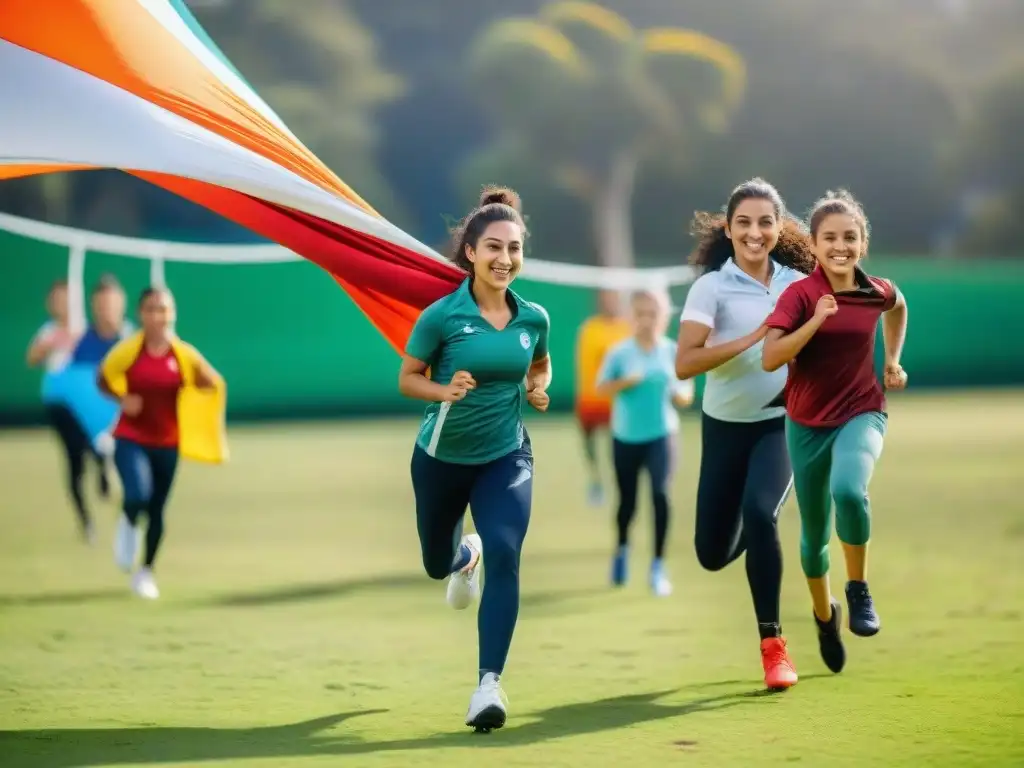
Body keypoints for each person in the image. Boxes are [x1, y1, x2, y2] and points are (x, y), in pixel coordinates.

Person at [397, 186, 551, 732]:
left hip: (505, 455)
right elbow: (408, 379)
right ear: (470, 252)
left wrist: (538, 387)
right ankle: (465, 558)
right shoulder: (442, 316)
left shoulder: (534, 317)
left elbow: (540, 366)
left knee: (507, 551)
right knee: (436, 563)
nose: (505, 259)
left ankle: (489, 685)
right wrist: (445, 390)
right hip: (440, 459)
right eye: (493, 247)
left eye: (514, 248)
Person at [675, 177, 817, 690]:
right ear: (729, 228)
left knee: (761, 514)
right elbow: (686, 363)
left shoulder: (800, 283)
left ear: (779, 228)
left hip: (782, 425)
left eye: (765, 222)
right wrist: (751, 339)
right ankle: (763, 545)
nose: (755, 232)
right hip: (724, 429)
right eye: (744, 222)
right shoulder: (710, 287)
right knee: (711, 554)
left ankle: (774, 648)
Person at [762, 189, 908, 675]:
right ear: (816, 244)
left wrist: (891, 361)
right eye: (830, 238)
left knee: (851, 489)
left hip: (863, 411)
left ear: (862, 243)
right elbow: (771, 357)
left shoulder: (876, 290)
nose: (840, 246)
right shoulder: (801, 295)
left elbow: (898, 306)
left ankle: (859, 589)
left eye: (850, 237)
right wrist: (816, 321)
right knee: (813, 537)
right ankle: (824, 617)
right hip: (805, 423)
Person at [99, 287, 226, 600]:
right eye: (152, 309)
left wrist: (197, 387)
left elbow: (212, 381)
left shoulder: (183, 354)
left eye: (164, 309)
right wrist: (122, 399)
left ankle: (145, 573)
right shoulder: (129, 350)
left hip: (167, 442)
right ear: (142, 314)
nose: (158, 316)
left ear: (173, 314)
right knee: (137, 495)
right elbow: (103, 377)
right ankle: (128, 522)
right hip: (131, 437)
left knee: (157, 510)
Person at [596, 288, 693, 596]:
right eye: (640, 314)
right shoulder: (619, 353)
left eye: (653, 314)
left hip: (662, 435)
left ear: (664, 318)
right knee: (628, 502)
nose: (647, 321)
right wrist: (626, 382)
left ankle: (657, 567)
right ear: (630, 317)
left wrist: (679, 394)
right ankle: (622, 550)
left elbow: (686, 394)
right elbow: (600, 388)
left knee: (661, 495)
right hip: (625, 437)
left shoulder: (671, 352)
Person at [26, 279, 97, 541]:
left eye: (65, 298)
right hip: (59, 405)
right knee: (74, 461)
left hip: (87, 404)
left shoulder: (86, 331)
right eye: (56, 299)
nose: (61, 304)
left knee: (98, 444)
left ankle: (104, 471)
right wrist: (50, 345)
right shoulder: (49, 332)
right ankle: (85, 520)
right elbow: (32, 358)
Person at [574, 290, 632, 506]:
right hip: (590, 399)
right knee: (589, 445)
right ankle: (596, 481)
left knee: (617, 447)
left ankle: (619, 484)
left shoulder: (626, 329)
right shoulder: (589, 329)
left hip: (616, 401)